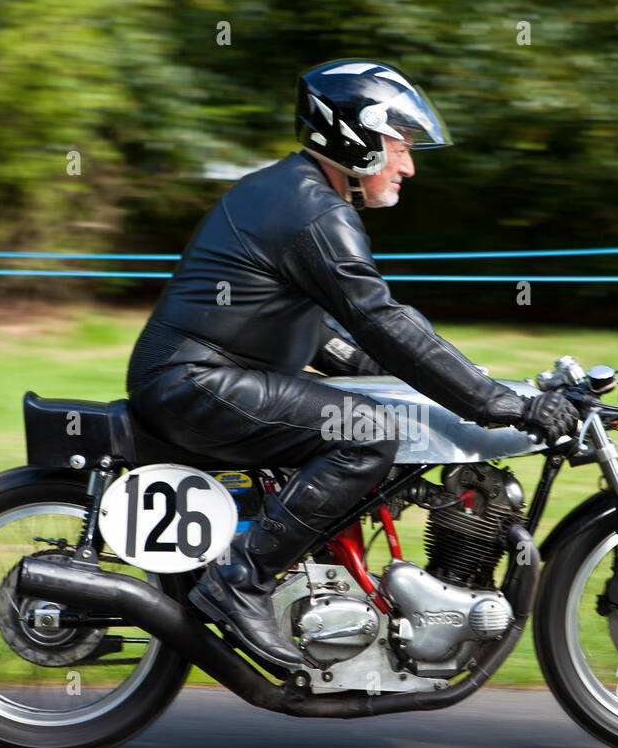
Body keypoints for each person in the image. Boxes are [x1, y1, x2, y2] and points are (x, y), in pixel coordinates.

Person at [126, 59, 578, 670]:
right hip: (197, 384)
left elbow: (332, 338)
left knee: (388, 411)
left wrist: (467, 385)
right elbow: (383, 321)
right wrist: (504, 404)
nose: (409, 163)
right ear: (353, 134)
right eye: (400, 144)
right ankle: (241, 579)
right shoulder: (315, 212)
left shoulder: (294, 192)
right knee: (370, 433)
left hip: (201, 378)